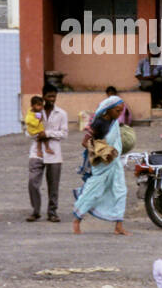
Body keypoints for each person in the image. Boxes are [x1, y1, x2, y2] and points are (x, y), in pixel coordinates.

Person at [72, 94, 129, 236]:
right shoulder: (98, 124)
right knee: (93, 192)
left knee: (120, 191)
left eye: (121, 111)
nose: (119, 114)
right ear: (108, 109)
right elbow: (85, 142)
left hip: (115, 163)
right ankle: (77, 219)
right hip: (102, 166)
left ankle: (119, 226)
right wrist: (101, 151)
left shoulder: (114, 123)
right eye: (117, 110)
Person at [27, 85, 67, 223]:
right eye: (49, 96)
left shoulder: (61, 113)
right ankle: (36, 211)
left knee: (53, 185)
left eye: (54, 96)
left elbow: (64, 133)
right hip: (36, 152)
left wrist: (48, 134)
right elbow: (28, 131)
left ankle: (52, 212)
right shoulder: (37, 111)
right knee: (33, 182)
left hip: (54, 153)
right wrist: (37, 134)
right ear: (43, 96)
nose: (52, 99)